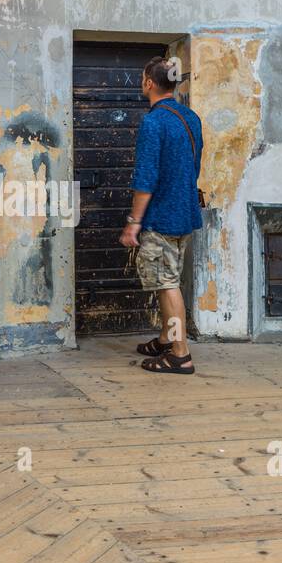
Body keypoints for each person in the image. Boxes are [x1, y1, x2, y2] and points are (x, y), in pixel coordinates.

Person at [119, 56, 202, 375]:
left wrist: (133, 223)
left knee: (167, 284)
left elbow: (145, 178)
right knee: (171, 279)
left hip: (161, 217)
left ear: (149, 83)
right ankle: (168, 338)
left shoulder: (153, 122)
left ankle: (180, 354)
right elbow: (193, 167)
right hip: (185, 213)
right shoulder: (190, 117)